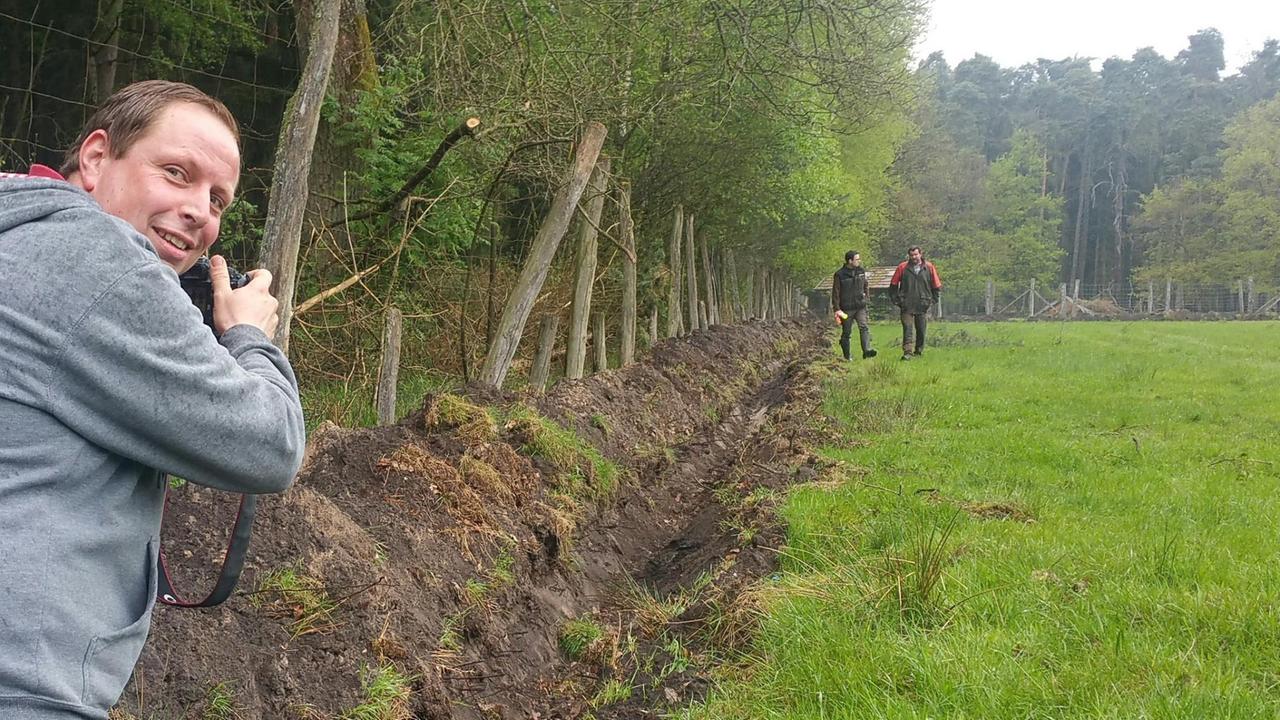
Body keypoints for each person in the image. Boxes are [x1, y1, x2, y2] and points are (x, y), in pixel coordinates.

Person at [0, 81, 306, 719]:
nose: (200, 211)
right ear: (94, 159)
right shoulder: (100, 263)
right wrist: (248, 335)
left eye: (217, 198)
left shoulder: (21, 232)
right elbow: (269, 444)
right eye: (176, 173)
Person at [888, 246, 942, 360]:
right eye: (911, 255)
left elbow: (936, 286)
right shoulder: (902, 267)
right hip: (906, 304)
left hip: (923, 304)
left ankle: (919, 351)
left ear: (920, 254)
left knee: (921, 330)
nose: (914, 257)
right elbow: (893, 285)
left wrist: (932, 301)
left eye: (916, 255)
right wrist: (897, 300)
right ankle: (907, 353)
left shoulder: (929, 267)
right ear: (909, 256)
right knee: (907, 329)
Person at [831, 250, 876, 360]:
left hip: (860, 306)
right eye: (857, 259)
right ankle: (847, 356)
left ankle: (866, 351)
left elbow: (866, 285)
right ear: (850, 261)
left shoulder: (861, 271)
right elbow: (835, 293)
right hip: (846, 309)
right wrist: (837, 309)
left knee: (864, 327)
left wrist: (866, 298)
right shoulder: (839, 274)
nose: (859, 261)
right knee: (847, 332)